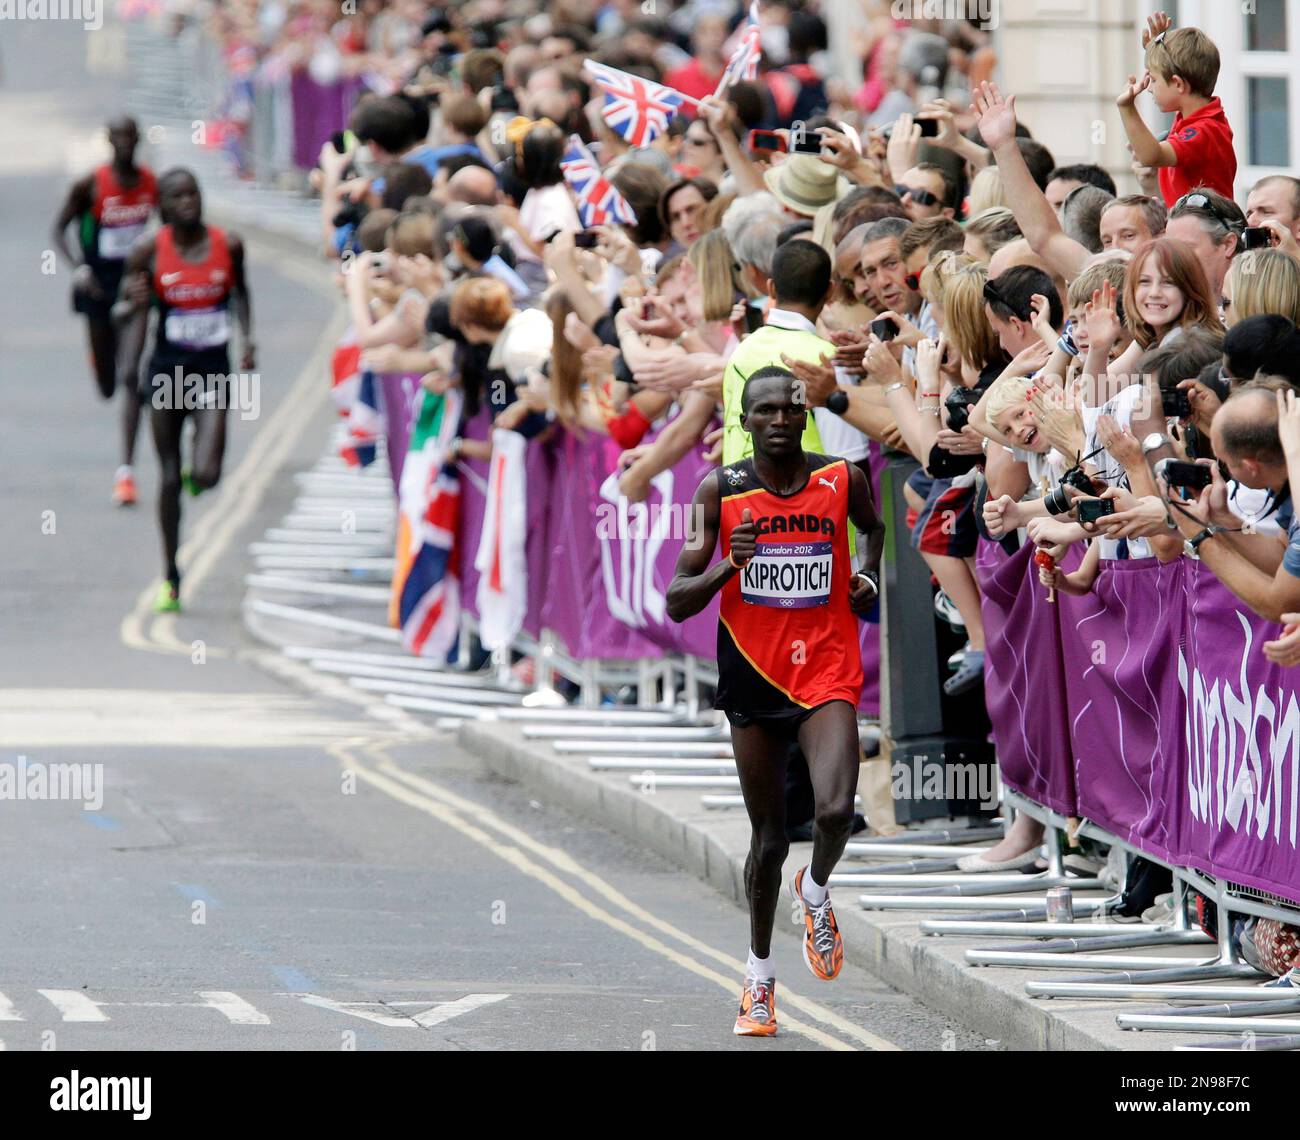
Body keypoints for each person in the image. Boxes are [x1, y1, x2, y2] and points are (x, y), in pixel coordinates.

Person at [667, 365, 884, 1037]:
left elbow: (873, 531)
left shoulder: (841, 478)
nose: (782, 420)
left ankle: (815, 890)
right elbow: (676, 600)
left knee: (836, 809)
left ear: (804, 416)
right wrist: (726, 566)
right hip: (754, 678)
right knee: (766, 842)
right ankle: (758, 979)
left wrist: (868, 576)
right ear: (745, 422)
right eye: (766, 412)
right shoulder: (719, 491)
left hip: (826, 670)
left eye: (792, 409)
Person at [115, 169, 254, 613]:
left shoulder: (228, 244)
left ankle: (201, 474)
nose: (188, 201)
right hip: (167, 372)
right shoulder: (146, 252)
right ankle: (171, 574)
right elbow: (125, 311)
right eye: (177, 196)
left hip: (213, 368)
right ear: (164, 207)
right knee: (169, 476)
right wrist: (129, 314)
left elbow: (242, 295)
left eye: (194, 192)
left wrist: (247, 339)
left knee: (208, 473)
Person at [52, 115, 159, 505]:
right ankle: (98, 360)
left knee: (132, 375)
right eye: (119, 138)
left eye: (132, 137)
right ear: (109, 142)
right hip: (98, 285)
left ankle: (126, 473)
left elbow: (165, 232)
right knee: (108, 385)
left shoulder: (151, 184)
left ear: (139, 140)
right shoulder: (90, 184)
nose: (126, 144)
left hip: (135, 287)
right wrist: (78, 268)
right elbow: (58, 229)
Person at [1116, 12, 1235, 206]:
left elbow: (1150, 156)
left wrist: (1127, 106)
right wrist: (1156, 49)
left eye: (1153, 80)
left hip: (1205, 233)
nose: (1150, 89)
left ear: (1178, 84)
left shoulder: (1203, 130)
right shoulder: (1196, 116)